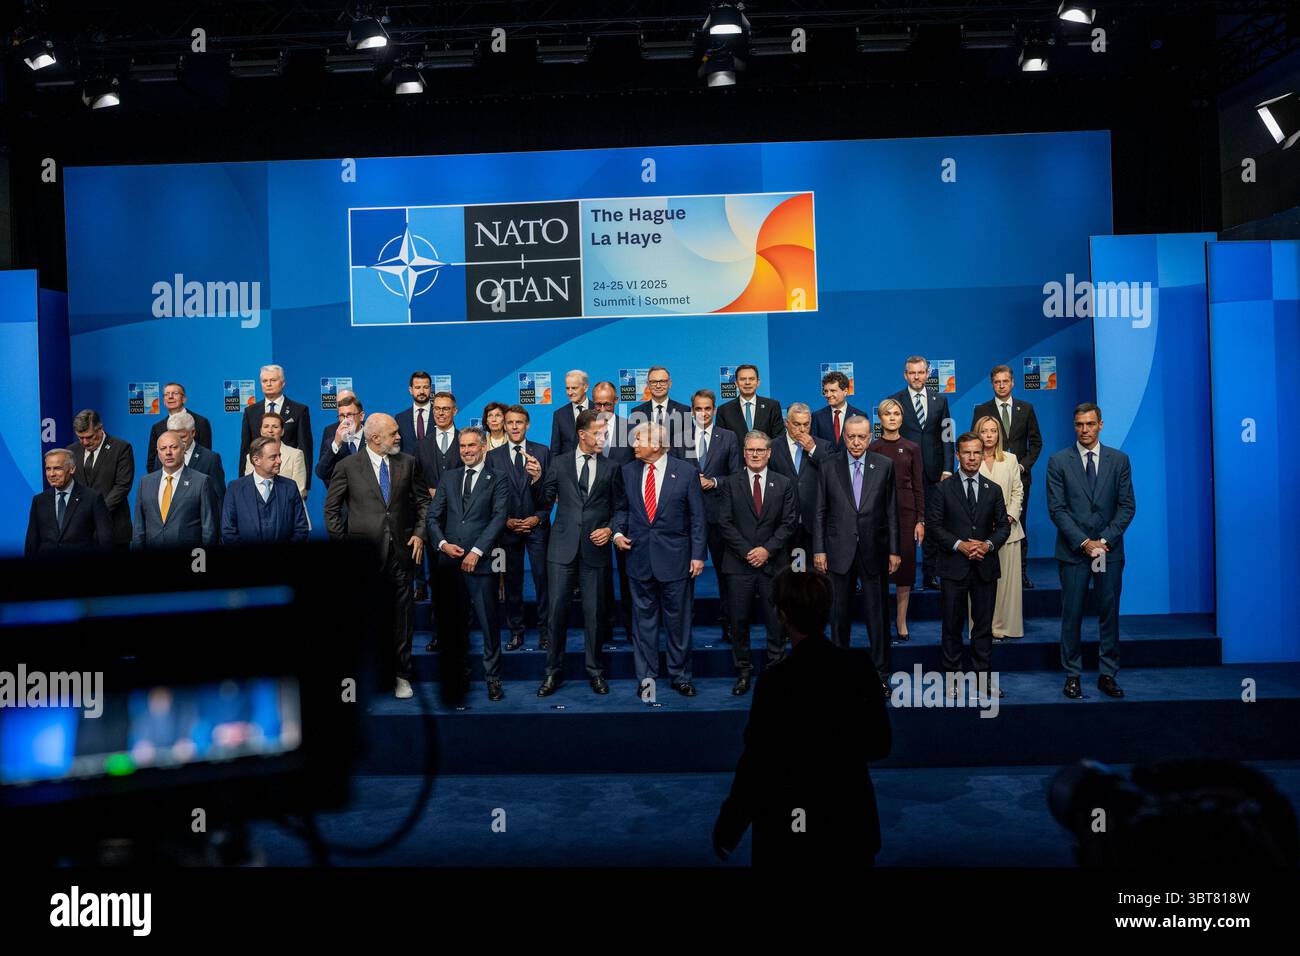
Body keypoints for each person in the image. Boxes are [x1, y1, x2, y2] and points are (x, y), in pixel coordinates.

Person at [713, 568, 892, 868]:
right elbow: (880, 745)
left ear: (782, 616)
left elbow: (756, 764)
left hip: (787, 830)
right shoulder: (859, 667)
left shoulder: (774, 682)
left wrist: (730, 827)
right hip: (849, 824)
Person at [324, 413, 430, 700]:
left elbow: (423, 502)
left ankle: (401, 675)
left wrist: (419, 533)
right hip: (363, 560)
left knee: (403, 618)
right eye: (393, 433)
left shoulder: (408, 462)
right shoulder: (347, 466)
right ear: (374, 438)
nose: (399, 437)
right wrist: (345, 549)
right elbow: (331, 510)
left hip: (400, 553)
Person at [1046, 403, 1136, 700]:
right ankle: (1073, 675)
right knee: (1071, 614)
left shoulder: (1119, 460)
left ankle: (1107, 674)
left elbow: (1126, 506)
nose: (1084, 430)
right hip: (1074, 552)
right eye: (1079, 425)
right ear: (1074, 426)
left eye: (1089, 424)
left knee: (1109, 613)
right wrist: (1085, 543)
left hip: (1109, 551)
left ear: (1100, 424)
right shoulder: (1058, 461)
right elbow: (1057, 509)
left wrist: (1104, 542)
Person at [532, 409, 622, 697]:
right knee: (556, 614)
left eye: (604, 432)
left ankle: (595, 672)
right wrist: (534, 481)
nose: (603, 437)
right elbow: (544, 503)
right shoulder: (557, 464)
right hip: (561, 550)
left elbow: (620, 508)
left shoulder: (611, 467)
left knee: (594, 615)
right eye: (598, 432)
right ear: (582, 434)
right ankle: (551, 673)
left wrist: (609, 529)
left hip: (595, 551)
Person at [613, 421, 707, 698]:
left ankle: (680, 676)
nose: (633, 445)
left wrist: (698, 555)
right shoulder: (628, 471)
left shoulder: (687, 472)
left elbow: (698, 518)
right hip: (639, 558)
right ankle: (646, 677)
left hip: (676, 560)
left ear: (655, 444)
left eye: (638, 439)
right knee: (643, 623)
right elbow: (621, 509)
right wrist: (618, 533)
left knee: (678, 622)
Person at [813, 416, 899, 695]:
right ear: (844, 437)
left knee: (878, 617)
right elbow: (820, 512)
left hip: (874, 550)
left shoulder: (884, 466)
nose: (856, 442)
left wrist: (894, 550)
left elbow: (891, 511)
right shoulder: (828, 466)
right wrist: (819, 549)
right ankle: (839, 676)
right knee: (838, 617)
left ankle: (881, 675)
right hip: (838, 551)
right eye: (851, 437)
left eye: (862, 437)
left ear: (869, 437)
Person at [427, 427, 511, 701]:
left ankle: (493, 678)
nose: (466, 451)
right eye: (462, 446)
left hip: (482, 564)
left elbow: (499, 518)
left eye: (471, 446)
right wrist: (442, 544)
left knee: (488, 625)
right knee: (453, 627)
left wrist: (476, 551)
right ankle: (458, 677)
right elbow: (432, 517)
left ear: (483, 446)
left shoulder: (498, 478)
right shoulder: (449, 477)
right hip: (448, 564)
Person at [927, 433, 1011, 699]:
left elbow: (1004, 527)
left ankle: (983, 679)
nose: (972, 457)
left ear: (982, 454)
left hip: (984, 566)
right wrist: (959, 545)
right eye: (966, 453)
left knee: (983, 626)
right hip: (954, 567)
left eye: (976, 452)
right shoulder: (942, 489)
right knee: (952, 625)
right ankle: (952, 678)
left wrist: (986, 545)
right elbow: (934, 527)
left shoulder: (993, 489)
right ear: (958, 455)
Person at [715, 431, 798, 695]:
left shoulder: (783, 483)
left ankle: (776, 669)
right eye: (750, 450)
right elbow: (724, 523)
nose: (755, 454)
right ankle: (743, 671)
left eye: (760, 450)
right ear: (744, 452)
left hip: (774, 565)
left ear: (769, 453)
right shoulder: (730, 483)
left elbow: (789, 523)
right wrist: (749, 551)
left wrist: (767, 550)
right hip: (739, 565)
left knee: (776, 622)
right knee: (738, 622)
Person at [486, 405, 551, 652]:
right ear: (503, 425)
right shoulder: (493, 456)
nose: (514, 426)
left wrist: (537, 517)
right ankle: (516, 632)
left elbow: (551, 493)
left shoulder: (543, 452)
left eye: (519, 422)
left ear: (528, 425)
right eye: (510, 422)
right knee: (512, 583)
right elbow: (490, 496)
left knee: (542, 581)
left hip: (537, 527)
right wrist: (505, 521)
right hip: (508, 529)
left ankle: (546, 632)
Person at [971, 365, 1043, 589]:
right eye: (997, 382)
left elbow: (1036, 443)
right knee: (984, 524)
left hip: (1018, 478)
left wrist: (1022, 467)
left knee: (1018, 523)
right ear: (992, 384)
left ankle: (1020, 573)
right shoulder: (982, 409)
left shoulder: (1026, 408)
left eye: (1005, 381)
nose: (1001, 385)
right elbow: (973, 443)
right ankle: (986, 570)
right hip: (987, 476)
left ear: (1012, 383)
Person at [888, 355, 954, 590]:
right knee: (904, 525)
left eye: (921, 372)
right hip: (904, 474)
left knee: (933, 524)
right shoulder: (895, 401)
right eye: (912, 373)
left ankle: (930, 574)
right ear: (905, 375)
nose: (916, 376)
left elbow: (947, 436)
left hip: (935, 473)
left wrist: (948, 468)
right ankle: (902, 573)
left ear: (927, 374)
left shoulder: (940, 400)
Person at [688, 388, 742, 642]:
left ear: (714, 409)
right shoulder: (679, 437)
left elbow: (735, 477)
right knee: (684, 575)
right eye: (698, 408)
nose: (703, 413)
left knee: (725, 574)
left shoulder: (729, 437)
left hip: (720, 516)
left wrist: (714, 482)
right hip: (688, 517)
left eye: (707, 408)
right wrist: (691, 482)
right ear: (692, 410)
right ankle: (683, 625)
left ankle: (728, 623)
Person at [869, 398, 924, 642]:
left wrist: (920, 519)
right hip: (878, 514)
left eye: (896, 414)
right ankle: (880, 618)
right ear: (879, 419)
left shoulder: (912, 447)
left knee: (905, 570)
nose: (892, 417)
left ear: (902, 418)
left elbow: (919, 486)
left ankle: (901, 620)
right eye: (886, 414)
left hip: (906, 513)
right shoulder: (872, 448)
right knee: (879, 568)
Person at [591, 381, 636, 644]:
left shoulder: (630, 429)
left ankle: (631, 627)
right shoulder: (585, 430)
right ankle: (604, 627)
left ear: (616, 401)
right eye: (598, 403)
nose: (603, 408)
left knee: (628, 574)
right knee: (599, 576)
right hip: (594, 512)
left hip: (625, 511)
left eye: (607, 403)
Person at [973, 414, 1025, 639]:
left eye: (993, 431)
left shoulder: (1011, 460)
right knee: (981, 584)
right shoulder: (970, 459)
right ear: (978, 433)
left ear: (999, 434)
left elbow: (1017, 492)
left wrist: (1008, 518)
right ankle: (982, 626)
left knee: (1006, 585)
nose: (989, 435)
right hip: (979, 534)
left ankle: (1004, 627)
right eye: (984, 431)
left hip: (1009, 531)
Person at [132, 430, 218, 549]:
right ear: (158, 453)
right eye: (163, 448)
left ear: (183, 449)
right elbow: (138, 528)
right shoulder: (145, 482)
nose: (168, 452)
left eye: (173, 447)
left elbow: (209, 528)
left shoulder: (201, 481)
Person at [767, 402, 831, 562]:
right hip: (781, 522)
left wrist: (813, 450)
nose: (802, 429)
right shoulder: (772, 447)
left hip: (813, 523)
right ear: (786, 423)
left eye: (806, 424)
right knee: (786, 576)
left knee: (811, 578)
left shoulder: (823, 446)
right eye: (796, 424)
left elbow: (833, 473)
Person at [239, 364, 313, 493]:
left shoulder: (299, 410)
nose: (268, 384)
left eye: (273, 380)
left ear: (283, 383)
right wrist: (242, 482)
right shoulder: (250, 412)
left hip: (288, 472)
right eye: (264, 381)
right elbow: (246, 448)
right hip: (258, 477)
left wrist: (305, 485)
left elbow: (305, 449)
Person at [67, 409, 135, 548]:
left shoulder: (121, 448)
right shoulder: (71, 451)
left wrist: (97, 511)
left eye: (89, 437)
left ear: (100, 429)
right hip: (81, 533)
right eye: (80, 437)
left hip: (113, 528)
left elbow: (122, 486)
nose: (85, 442)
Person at [222, 437, 310, 544]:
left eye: (279, 455)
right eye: (273, 457)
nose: (279, 461)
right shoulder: (235, 488)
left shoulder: (290, 487)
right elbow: (228, 531)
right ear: (256, 460)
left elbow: (301, 528)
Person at [25, 449, 113, 554]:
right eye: (48, 469)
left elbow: (106, 540)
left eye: (57, 468)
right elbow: (31, 542)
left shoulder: (92, 498)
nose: (51, 474)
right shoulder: (39, 500)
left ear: (72, 469)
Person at [167, 411, 226, 514]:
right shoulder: (163, 459)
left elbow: (219, 497)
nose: (177, 442)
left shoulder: (210, 459)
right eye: (173, 437)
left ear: (193, 432)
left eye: (182, 437)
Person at [246, 412, 308, 508]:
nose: (270, 430)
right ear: (261, 431)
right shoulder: (251, 456)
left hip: (289, 512)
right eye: (266, 426)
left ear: (282, 431)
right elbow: (249, 488)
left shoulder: (296, 455)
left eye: (275, 427)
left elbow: (298, 490)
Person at [147, 382, 212, 473]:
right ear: (163, 401)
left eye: (175, 393)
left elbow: (206, 458)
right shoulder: (157, 427)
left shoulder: (201, 422)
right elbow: (152, 462)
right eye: (166, 394)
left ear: (184, 399)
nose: (170, 397)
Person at [629, 366, 692, 459]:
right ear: (648, 384)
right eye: (654, 382)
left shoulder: (684, 411)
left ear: (669, 383)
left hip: (676, 469)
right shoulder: (637, 412)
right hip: (646, 468)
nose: (658, 386)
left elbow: (689, 444)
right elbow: (635, 446)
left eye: (662, 381)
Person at [716, 364, 784, 444]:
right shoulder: (724, 410)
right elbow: (722, 443)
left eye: (751, 379)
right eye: (743, 379)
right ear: (736, 383)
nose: (747, 382)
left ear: (758, 382)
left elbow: (779, 440)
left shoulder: (772, 407)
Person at [811, 370, 868, 452]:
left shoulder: (860, 416)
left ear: (845, 391)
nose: (828, 395)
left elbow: (864, 446)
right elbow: (814, 446)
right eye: (826, 391)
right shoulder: (817, 416)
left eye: (833, 391)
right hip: (825, 463)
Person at [315, 395, 365, 488]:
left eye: (349, 415)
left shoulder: (373, 437)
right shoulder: (332, 442)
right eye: (342, 416)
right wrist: (336, 444)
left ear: (361, 416)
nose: (345, 420)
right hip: (344, 500)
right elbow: (321, 473)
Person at [549, 369, 590, 456]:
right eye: (567, 388)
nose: (570, 392)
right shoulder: (559, 415)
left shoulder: (598, 410)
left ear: (585, 387)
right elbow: (554, 450)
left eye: (574, 388)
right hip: (567, 467)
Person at [395, 371, 434, 453]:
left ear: (430, 389)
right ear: (410, 390)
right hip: (408, 465)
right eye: (417, 387)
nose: (422, 392)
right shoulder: (400, 419)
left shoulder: (440, 416)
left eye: (426, 387)